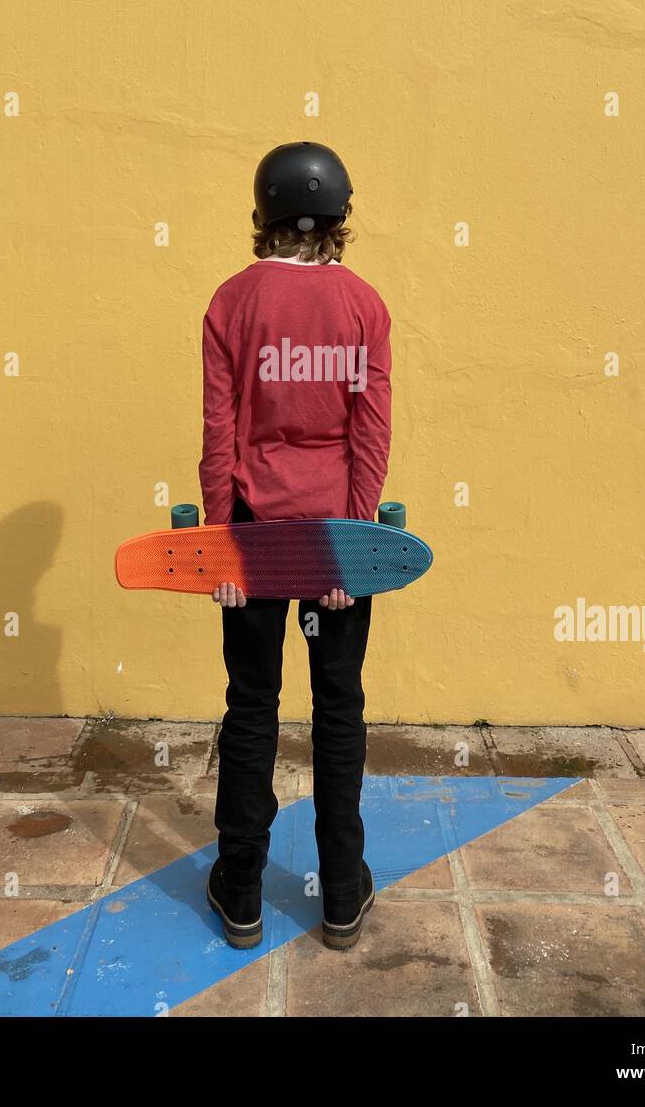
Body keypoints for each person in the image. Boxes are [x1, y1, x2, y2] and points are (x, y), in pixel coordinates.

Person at [199, 141, 392, 952]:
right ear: (340, 218)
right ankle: (341, 896)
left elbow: (220, 432)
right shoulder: (363, 305)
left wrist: (219, 548)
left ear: (260, 215)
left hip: (253, 537)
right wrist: (351, 546)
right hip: (334, 539)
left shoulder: (231, 302)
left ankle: (240, 890)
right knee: (337, 711)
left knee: (252, 708)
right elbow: (368, 433)